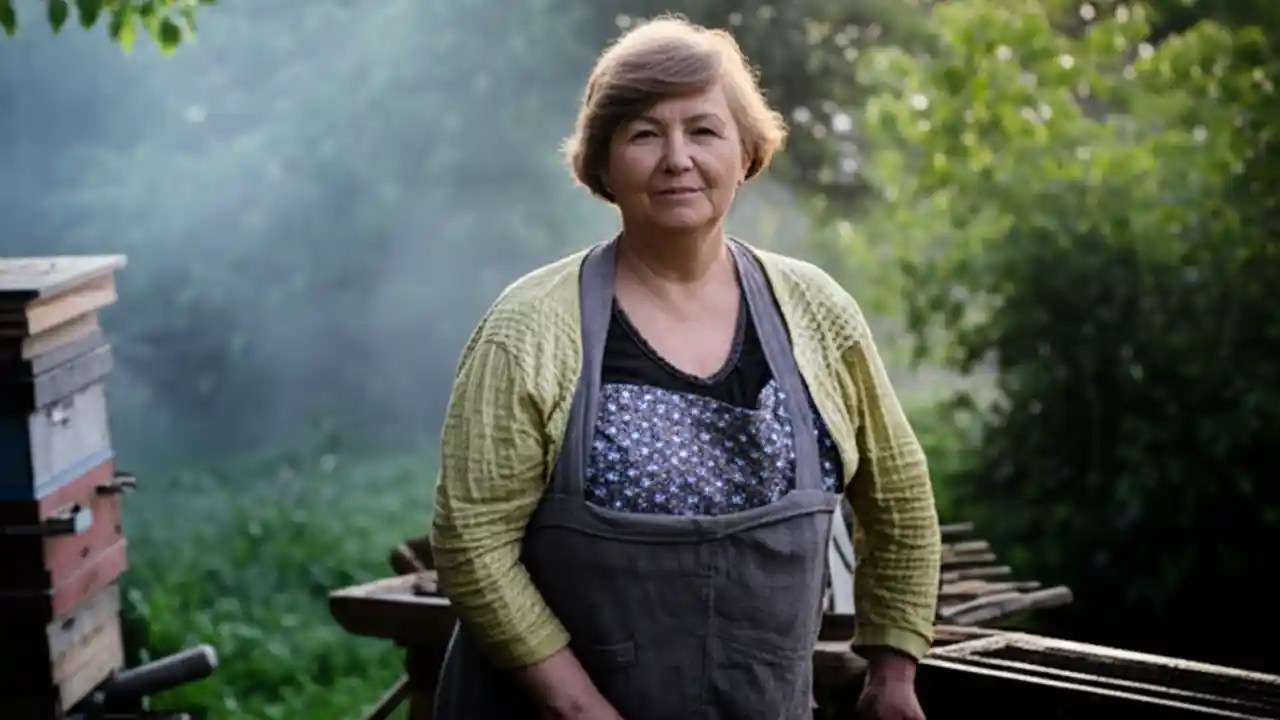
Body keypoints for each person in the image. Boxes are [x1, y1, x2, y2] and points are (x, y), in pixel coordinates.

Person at [428, 14, 941, 720]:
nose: (676, 158)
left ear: (746, 152)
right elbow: (471, 539)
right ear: (603, 163)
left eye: (703, 130)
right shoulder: (529, 327)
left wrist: (893, 670)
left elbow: (900, 496)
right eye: (643, 134)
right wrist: (577, 707)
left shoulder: (817, 312)